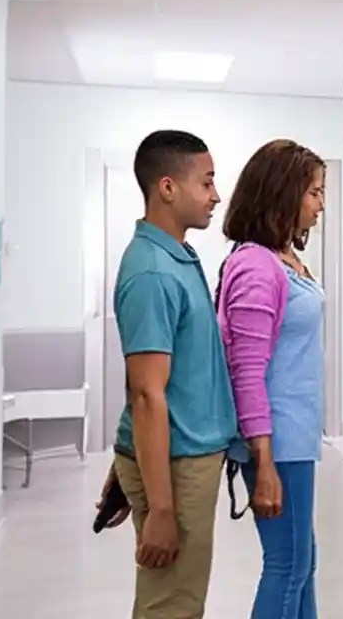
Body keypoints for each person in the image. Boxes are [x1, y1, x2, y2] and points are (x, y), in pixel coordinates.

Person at [100, 129, 237, 618]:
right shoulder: (154, 272)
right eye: (207, 182)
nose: (216, 195)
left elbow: (149, 382)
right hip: (179, 466)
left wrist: (128, 459)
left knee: (179, 601)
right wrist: (160, 507)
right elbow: (146, 394)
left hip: (180, 455)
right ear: (167, 187)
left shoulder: (178, 256)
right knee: (172, 607)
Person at [215, 139, 327, 619]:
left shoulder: (281, 259)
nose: (321, 204)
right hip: (275, 442)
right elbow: (247, 370)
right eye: (315, 193)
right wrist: (263, 461)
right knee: (286, 565)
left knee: (302, 562)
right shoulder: (258, 266)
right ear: (284, 193)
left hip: (293, 437)